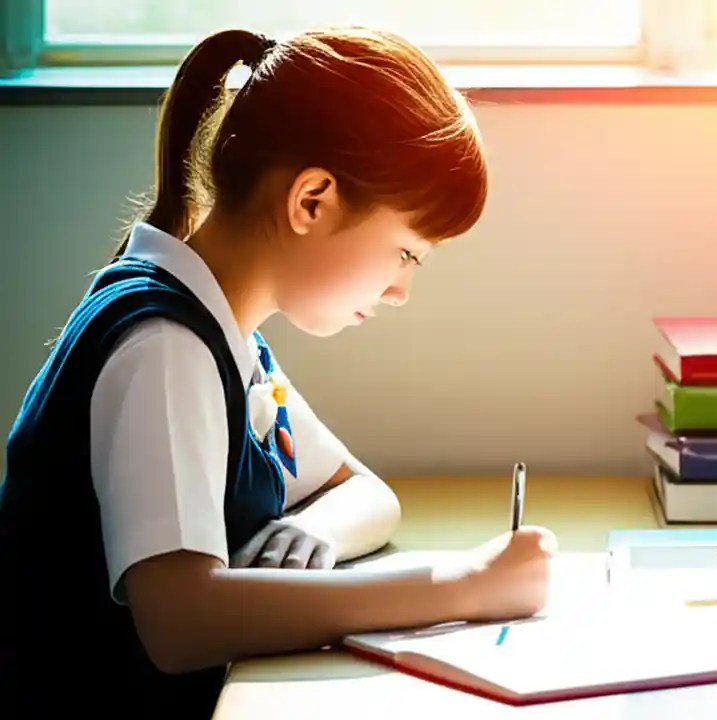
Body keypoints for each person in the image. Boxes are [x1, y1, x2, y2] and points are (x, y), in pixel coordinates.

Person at [0, 25, 556, 718]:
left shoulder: (230, 338)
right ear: (312, 200)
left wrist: (314, 533)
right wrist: (460, 586)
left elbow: (364, 492)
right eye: (407, 253)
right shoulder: (165, 346)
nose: (401, 291)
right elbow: (180, 622)